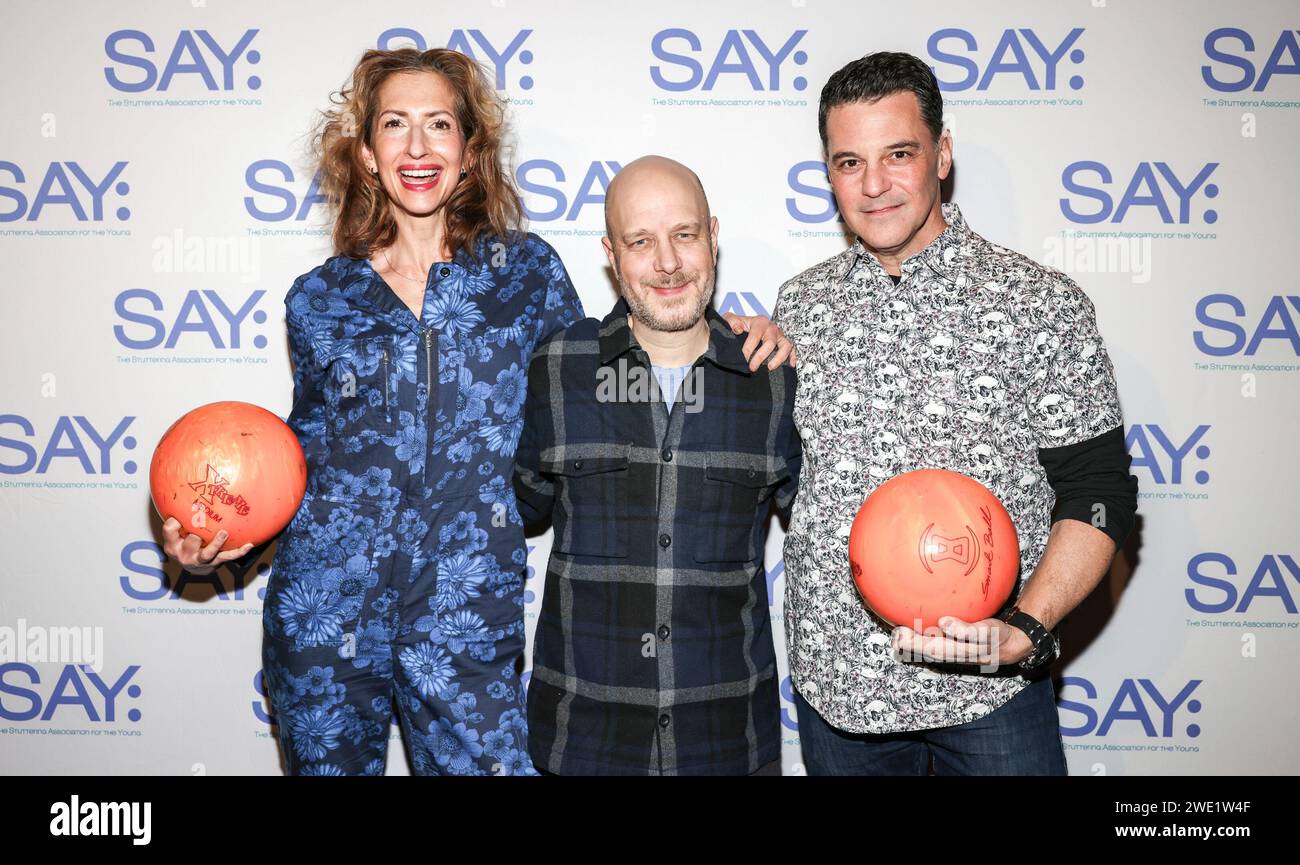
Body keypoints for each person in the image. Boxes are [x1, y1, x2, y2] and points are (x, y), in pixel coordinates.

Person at [160, 49, 792, 776]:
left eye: (439, 124)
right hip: (322, 618)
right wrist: (229, 530)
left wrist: (733, 328)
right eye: (395, 125)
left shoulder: (525, 275)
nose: (419, 146)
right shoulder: (317, 297)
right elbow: (300, 456)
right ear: (367, 152)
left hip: (463, 623)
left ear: (468, 150)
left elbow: (612, 365)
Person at [773, 51, 1138, 775]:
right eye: (849, 162)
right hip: (840, 694)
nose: (873, 185)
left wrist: (1026, 627)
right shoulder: (798, 307)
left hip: (991, 693)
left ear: (942, 155)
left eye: (898, 154)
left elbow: (1099, 489)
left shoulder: (1040, 304)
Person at [513, 156, 801, 775]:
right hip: (584, 741)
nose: (667, 262)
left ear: (713, 236)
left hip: (726, 742)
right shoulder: (559, 369)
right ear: (612, 255)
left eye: (685, 235)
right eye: (641, 241)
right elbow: (510, 509)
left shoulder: (774, 381)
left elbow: (835, 532)